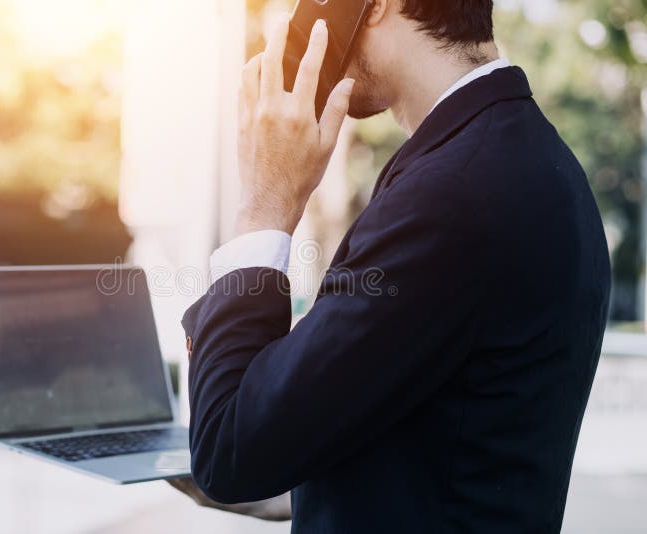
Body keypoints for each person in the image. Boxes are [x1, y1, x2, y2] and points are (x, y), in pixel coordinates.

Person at [169, 1, 611, 532]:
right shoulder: (526, 158)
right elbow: (450, 440)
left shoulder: (451, 196)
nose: (301, 22)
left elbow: (228, 452)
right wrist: (300, 485)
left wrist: (265, 204)